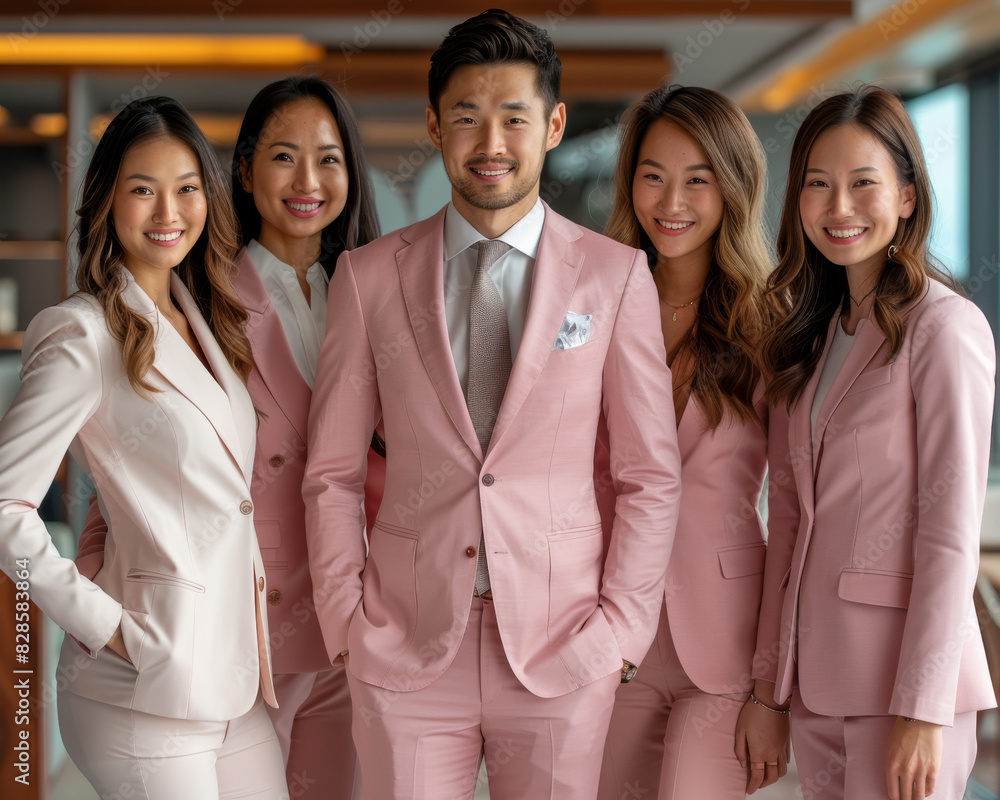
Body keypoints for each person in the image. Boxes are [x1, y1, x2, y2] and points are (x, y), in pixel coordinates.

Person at [302, 9, 682, 800]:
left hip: (563, 648)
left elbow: (650, 475)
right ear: (436, 126)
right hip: (403, 644)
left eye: (514, 118)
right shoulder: (368, 279)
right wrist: (346, 626)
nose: (491, 144)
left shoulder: (615, 277)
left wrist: (619, 633)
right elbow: (331, 472)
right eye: (468, 119)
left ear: (554, 125)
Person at [75, 77, 383, 799]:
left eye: (329, 158)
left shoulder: (376, 292)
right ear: (242, 172)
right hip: (237, 629)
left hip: (352, 620)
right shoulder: (198, 297)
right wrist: (105, 607)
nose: (307, 181)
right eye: (283, 156)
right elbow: (126, 461)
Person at [0, 96, 288, 798]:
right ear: (107, 202)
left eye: (187, 188)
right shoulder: (81, 334)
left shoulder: (210, 322)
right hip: (141, 687)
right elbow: (6, 510)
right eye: (142, 190)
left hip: (234, 676)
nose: (168, 212)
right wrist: (110, 627)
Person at [755, 84, 997, 800]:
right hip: (816, 683)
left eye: (864, 184)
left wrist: (925, 707)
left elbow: (950, 532)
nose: (839, 209)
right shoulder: (813, 337)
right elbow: (791, 529)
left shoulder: (943, 329)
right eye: (818, 186)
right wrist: (771, 687)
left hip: (903, 691)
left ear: (907, 198)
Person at [597, 85, 789, 799]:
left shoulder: (770, 326)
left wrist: (773, 690)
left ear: (732, 187)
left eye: (698, 178)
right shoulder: (598, 304)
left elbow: (796, 515)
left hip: (728, 644)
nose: (671, 200)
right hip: (614, 638)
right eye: (653, 175)